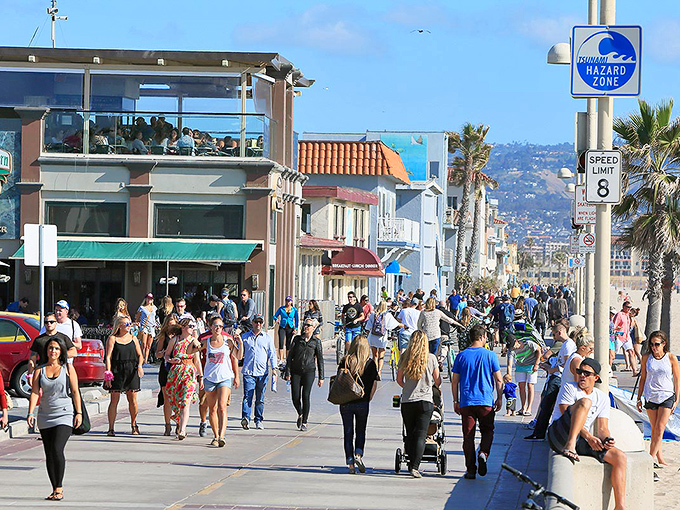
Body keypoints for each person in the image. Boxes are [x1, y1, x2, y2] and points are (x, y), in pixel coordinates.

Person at [548, 359, 627, 510]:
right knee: (585, 402)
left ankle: (620, 506)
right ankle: (570, 446)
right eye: (580, 372)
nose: (582, 376)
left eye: (586, 373)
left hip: (581, 438)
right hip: (559, 434)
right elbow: (566, 413)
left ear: (595, 377)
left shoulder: (602, 397)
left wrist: (606, 440)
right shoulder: (569, 387)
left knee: (620, 457)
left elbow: (603, 428)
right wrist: (589, 437)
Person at [27, 337, 83, 501]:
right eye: (51, 348)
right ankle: (54, 488)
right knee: (49, 453)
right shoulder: (40, 370)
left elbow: (75, 392)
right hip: (45, 415)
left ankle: (59, 488)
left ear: (61, 352)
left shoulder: (68, 369)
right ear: (46, 351)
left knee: (57, 449)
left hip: (64, 414)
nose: (53, 351)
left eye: (57, 349)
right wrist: (31, 413)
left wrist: (78, 413)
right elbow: (35, 393)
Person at [452, 324, 503, 479]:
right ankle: (483, 452)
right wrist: (499, 397)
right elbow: (499, 380)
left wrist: (456, 400)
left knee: (468, 436)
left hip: (467, 401)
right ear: (482, 337)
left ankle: (471, 470)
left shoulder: (461, 356)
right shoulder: (490, 355)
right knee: (487, 431)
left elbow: (455, 381)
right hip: (485, 401)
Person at [396, 330, 441, 478]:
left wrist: (407, 387)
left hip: (408, 401)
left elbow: (399, 379)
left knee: (410, 434)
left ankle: (410, 463)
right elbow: (438, 380)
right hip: (425, 401)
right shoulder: (431, 358)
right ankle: (415, 467)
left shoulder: (404, 357)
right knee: (421, 435)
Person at [524, 320, 576, 440]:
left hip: (557, 378)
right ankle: (539, 432)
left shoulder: (568, 345)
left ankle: (539, 433)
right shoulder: (567, 344)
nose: (554, 337)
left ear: (559, 332)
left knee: (546, 405)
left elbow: (567, 364)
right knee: (546, 405)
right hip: (556, 376)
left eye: (554, 334)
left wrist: (551, 369)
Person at [637, 330, 680, 469]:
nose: (654, 347)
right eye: (652, 344)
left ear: (664, 344)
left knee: (660, 428)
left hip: (667, 396)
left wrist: (676, 399)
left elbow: (677, 380)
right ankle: (660, 458)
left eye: (656, 344)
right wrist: (639, 397)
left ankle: (650, 458)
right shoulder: (646, 358)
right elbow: (643, 378)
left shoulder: (671, 358)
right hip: (651, 395)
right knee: (655, 428)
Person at [197, 315, 243, 447]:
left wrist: (240, 343)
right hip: (210, 378)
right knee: (212, 409)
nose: (218, 328)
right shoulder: (206, 341)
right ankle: (215, 436)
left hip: (225, 377)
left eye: (220, 326)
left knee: (222, 406)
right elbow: (193, 352)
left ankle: (222, 436)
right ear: (210, 327)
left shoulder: (227, 340)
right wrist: (192, 342)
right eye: (216, 325)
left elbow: (237, 356)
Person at [338, 335, 379, 474]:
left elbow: (340, 379)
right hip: (362, 402)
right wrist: (369, 397)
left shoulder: (345, 361)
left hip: (346, 401)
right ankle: (358, 454)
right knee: (361, 430)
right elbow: (374, 384)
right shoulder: (370, 364)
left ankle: (350, 464)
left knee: (348, 432)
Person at [104, 316, 144, 436]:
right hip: (117, 370)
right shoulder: (113, 338)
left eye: (129, 324)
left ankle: (134, 424)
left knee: (132, 399)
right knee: (114, 399)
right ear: (119, 326)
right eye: (126, 324)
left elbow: (140, 355)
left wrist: (140, 366)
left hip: (131, 370)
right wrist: (108, 373)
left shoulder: (133, 338)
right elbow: (108, 357)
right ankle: (111, 427)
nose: (129, 326)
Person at [164, 318, 202, 440]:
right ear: (183, 327)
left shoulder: (193, 341)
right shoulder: (174, 340)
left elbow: (197, 361)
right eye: (190, 326)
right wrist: (170, 360)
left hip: (189, 372)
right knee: (175, 401)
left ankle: (183, 429)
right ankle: (179, 424)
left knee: (185, 402)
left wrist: (200, 377)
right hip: (176, 372)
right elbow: (167, 354)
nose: (192, 328)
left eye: (193, 326)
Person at [284, 318, 324, 431]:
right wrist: (288, 371)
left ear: (313, 328)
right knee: (295, 397)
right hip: (296, 371)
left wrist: (321, 377)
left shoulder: (316, 342)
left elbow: (320, 360)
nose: (306, 327)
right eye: (305, 325)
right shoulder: (297, 339)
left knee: (305, 396)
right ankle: (300, 413)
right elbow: (290, 357)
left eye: (308, 325)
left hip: (309, 371)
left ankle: (305, 422)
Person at [240, 314, 277, 430]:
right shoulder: (245, 337)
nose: (258, 324)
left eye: (260, 322)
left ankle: (258, 419)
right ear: (252, 323)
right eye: (256, 322)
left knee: (260, 398)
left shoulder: (267, 338)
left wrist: (274, 368)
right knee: (248, 396)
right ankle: (246, 418)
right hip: (249, 372)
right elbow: (239, 353)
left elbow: (272, 354)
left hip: (262, 373)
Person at [155, 314, 181, 436]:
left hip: (177, 368)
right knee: (167, 398)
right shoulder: (163, 336)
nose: (172, 326)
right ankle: (167, 425)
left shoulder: (180, 337)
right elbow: (157, 354)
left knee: (177, 398)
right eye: (170, 323)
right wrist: (164, 352)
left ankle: (178, 423)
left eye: (174, 323)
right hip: (165, 368)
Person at [365, 300, 402, 378]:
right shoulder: (388, 315)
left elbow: (368, 327)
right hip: (382, 338)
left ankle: (374, 372)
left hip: (373, 337)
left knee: (374, 355)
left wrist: (367, 334)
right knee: (381, 356)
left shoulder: (373, 314)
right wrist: (404, 326)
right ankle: (379, 372)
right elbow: (394, 325)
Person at [508, 333, 541, 416]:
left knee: (530, 385)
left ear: (516, 341)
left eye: (513, 345)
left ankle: (529, 408)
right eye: (510, 346)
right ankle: (523, 407)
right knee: (521, 386)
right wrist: (508, 376)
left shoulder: (528, 343)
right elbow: (509, 365)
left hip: (531, 365)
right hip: (520, 366)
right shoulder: (511, 350)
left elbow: (538, 350)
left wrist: (537, 363)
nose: (512, 348)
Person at [613, 301, 638, 374]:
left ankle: (634, 370)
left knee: (631, 352)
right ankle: (608, 368)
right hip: (619, 336)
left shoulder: (628, 315)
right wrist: (616, 334)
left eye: (630, 307)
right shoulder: (619, 314)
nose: (629, 309)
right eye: (628, 307)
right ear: (623, 307)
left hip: (627, 337)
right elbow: (614, 325)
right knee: (613, 354)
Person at [274, 296, 299, 366]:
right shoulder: (281, 309)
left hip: (290, 327)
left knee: (288, 343)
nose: (288, 302)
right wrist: (276, 319)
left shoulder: (294, 310)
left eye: (289, 301)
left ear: (291, 302)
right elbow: (275, 316)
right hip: (282, 327)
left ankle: (288, 358)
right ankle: (281, 359)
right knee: (281, 342)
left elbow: (296, 320)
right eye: (287, 301)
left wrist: (296, 328)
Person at [135, 293, 157, 365]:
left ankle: (146, 360)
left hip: (152, 327)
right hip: (144, 326)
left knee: (148, 345)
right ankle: (141, 358)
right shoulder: (142, 308)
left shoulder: (154, 308)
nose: (149, 300)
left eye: (150, 299)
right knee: (143, 344)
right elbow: (137, 316)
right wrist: (137, 323)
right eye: (147, 298)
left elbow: (155, 317)